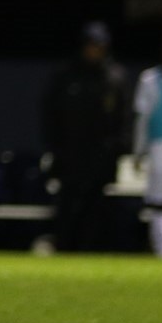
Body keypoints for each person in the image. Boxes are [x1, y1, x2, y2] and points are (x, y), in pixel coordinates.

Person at [41, 21, 128, 252]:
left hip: (100, 160)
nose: (94, 50)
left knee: (95, 210)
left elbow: (122, 120)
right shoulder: (66, 76)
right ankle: (64, 250)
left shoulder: (114, 78)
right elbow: (51, 116)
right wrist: (56, 149)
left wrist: (115, 152)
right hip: (70, 157)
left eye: (99, 45)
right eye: (91, 45)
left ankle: (90, 252)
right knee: (68, 207)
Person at [132, 26, 162, 259]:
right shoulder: (149, 80)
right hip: (159, 150)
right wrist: (139, 153)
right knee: (159, 204)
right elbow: (143, 121)